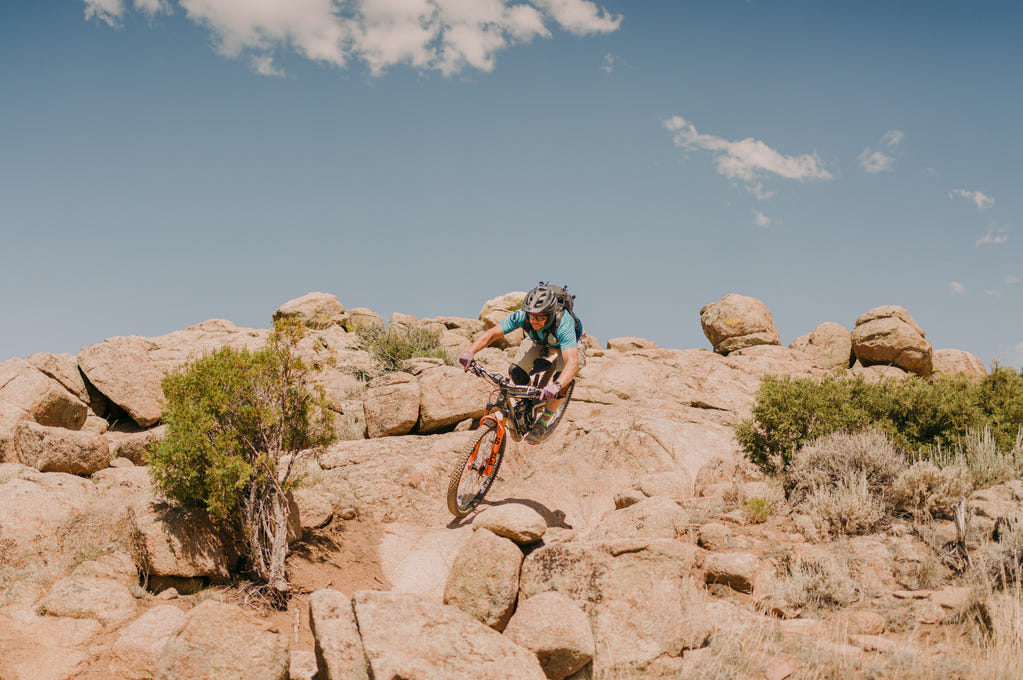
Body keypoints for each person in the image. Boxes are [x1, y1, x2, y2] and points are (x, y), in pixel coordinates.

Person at [459, 284, 586, 444]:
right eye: (532, 316)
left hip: (569, 344)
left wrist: (557, 385)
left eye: (540, 317)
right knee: (516, 371)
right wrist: (469, 351)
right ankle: (527, 403)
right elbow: (492, 334)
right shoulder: (522, 316)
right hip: (539, 340)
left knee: (563, 379)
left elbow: (572, 362)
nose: (535, 320)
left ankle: (543, 422)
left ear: (550, 313)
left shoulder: (563, 323)